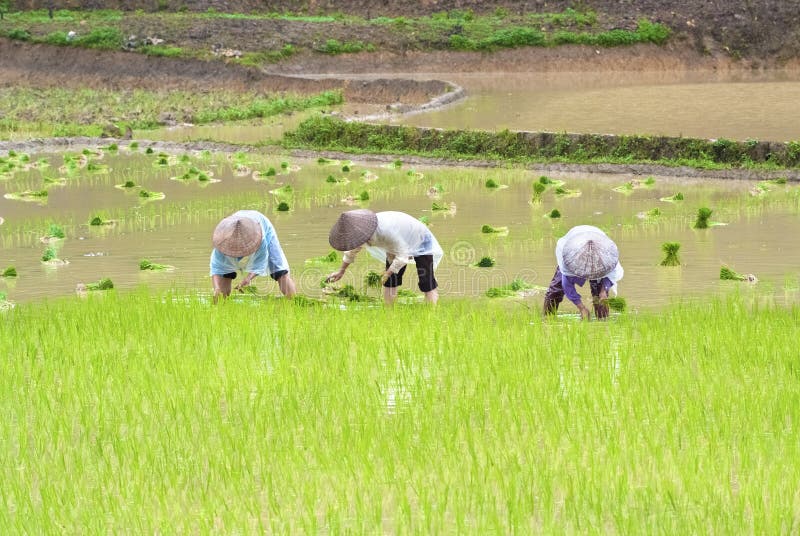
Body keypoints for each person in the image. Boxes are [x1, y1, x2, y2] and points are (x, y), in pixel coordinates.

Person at [326, 209, 443, 304]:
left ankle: (431, 312)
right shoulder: (360, 232)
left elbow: (403, 256)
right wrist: (341, 271)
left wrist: (386, 274)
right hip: (398, 241)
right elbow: (351, 252)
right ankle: (389, 312)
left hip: (420, 237)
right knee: (390, 281)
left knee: (426, 280)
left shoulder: (386, 231)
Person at [210, 210, 296, 302]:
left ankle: (294, 302)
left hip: (262, 226)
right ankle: (221, 304)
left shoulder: (259, 238)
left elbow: (260, 262)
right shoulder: (222, 242)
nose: (239, 251)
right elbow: (216, 268)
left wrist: (248, 279)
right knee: (225, 274)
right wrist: (217, 288)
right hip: (233, 229)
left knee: (280, 272)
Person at [543, 225, 623, 320]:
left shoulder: (608, 257)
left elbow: (612, 274)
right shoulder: (569, 260)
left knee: (601, 298)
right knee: (555, 290)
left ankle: (603, 320)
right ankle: (547, 318)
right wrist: (581, 308)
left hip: (599, 248)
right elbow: (567, 286)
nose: (590, 270)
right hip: (574, 248)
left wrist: (603, 290)